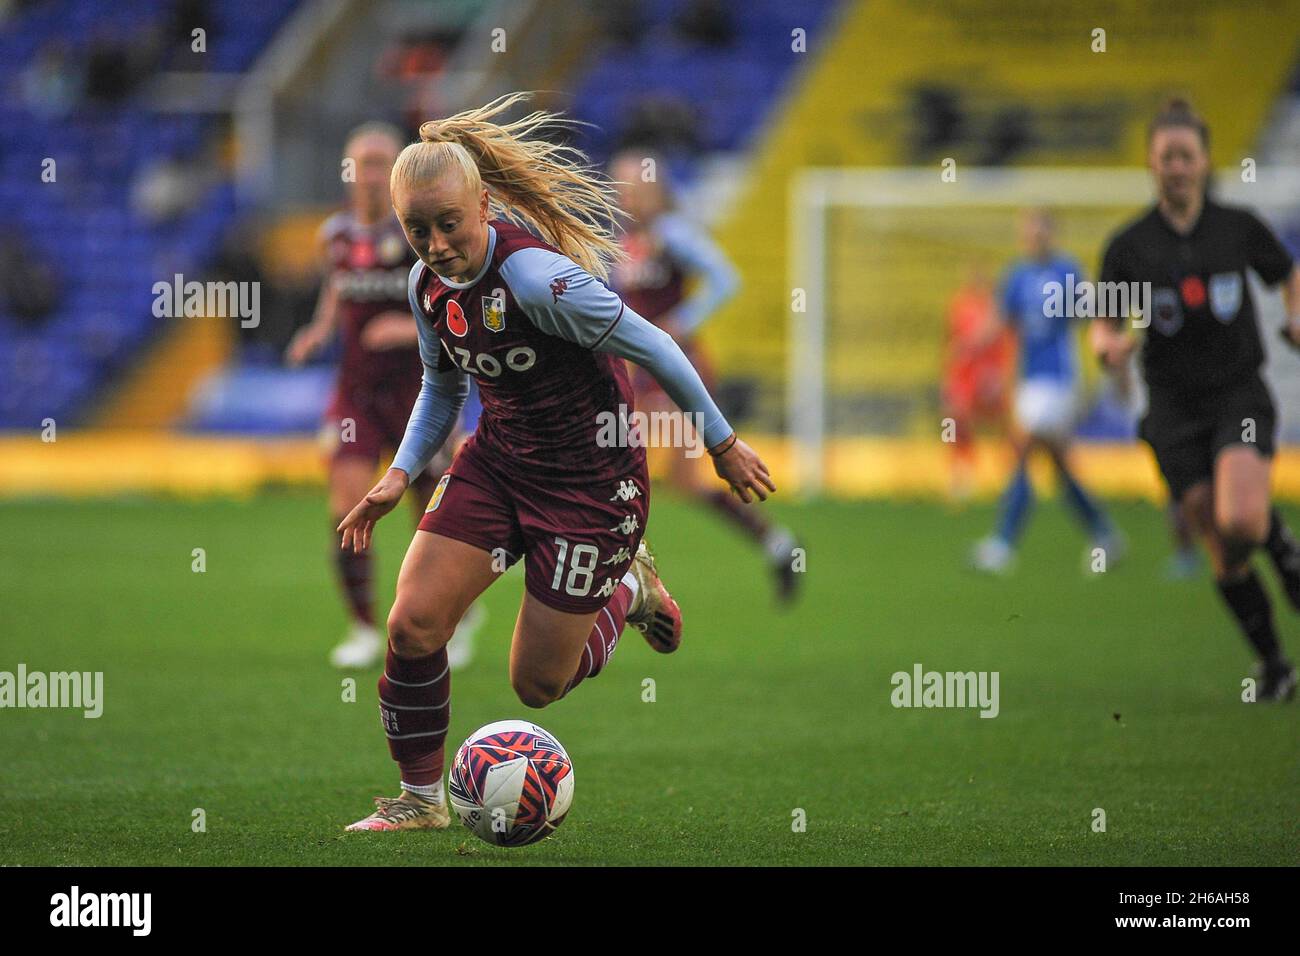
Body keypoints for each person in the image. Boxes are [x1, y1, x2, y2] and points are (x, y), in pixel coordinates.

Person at [336, 93, 775, 830]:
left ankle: (630, 588)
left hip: (591, 485)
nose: (437, 243)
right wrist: (397, 476)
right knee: (412, 624)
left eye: (449, 224)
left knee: (537, 685)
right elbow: (442, 388)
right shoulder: (426, 286)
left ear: (482, 205)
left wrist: (722, 444)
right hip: (500, 461)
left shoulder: (538, 279)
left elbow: (658, 347)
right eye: (418, 230)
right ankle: (419, 800)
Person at [1092, 98, 1300, 701]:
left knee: (1241, 519)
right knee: (1223, 550)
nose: (1177, 167)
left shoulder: (1236, 228)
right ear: (1151, 165)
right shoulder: (1129, 246)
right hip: (1173, 411)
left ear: (1206, 161)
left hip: (1237, 392)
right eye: (1166, 157)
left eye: (1186, 156)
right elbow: (1102, 322)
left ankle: (1278, 543)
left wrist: (1294, 314)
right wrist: (1109, 347)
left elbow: (1287, 271)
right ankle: (1276, 667)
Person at [285, 122, 482, 671]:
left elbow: (453, 296)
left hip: (422, 392)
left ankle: (457, 620)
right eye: (361, 162)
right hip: (355, 395)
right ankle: (365, 626)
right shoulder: (337, 235)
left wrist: (403, 326)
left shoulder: (419, 232)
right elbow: (337, 288)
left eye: (380, 162)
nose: (369, 174)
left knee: (433, 519)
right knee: (346, 504)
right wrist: (320, 329)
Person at [607, 150, 801, 602]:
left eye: (631, 185)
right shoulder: (624, 238)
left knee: (647, 469)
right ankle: (776, 544)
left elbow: (724, 279)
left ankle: (614, 571)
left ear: (653, 189)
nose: (623, 193)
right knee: (665, 477)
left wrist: (681, 321)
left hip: (676, 368)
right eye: (619, 185)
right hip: (640, 368)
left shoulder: (673, 234)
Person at [972, 209, 1121, 573]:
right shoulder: (1017, 276)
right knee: (1057, 465)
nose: (1033, 237)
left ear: (1052, 233)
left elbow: (1098, 312)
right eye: (1027, 230)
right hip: (1029, 381)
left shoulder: (1067, 272)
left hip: (1059, 378)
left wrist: (1110, 347)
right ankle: (1105, 534)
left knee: (1022, 450)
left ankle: (1003, 544)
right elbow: (1000, 320)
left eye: (1039, 230)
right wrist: (970, 347)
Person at [942, 260, 1013, 502]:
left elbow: (999, 341)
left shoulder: (997, 308)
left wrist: (1000, 375)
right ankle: (959, 468)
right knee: (951, 422)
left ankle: (1010, 472)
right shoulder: (959, 305)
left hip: (990, 375)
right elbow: (953, 341)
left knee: (1007, 425)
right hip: (964, 375)